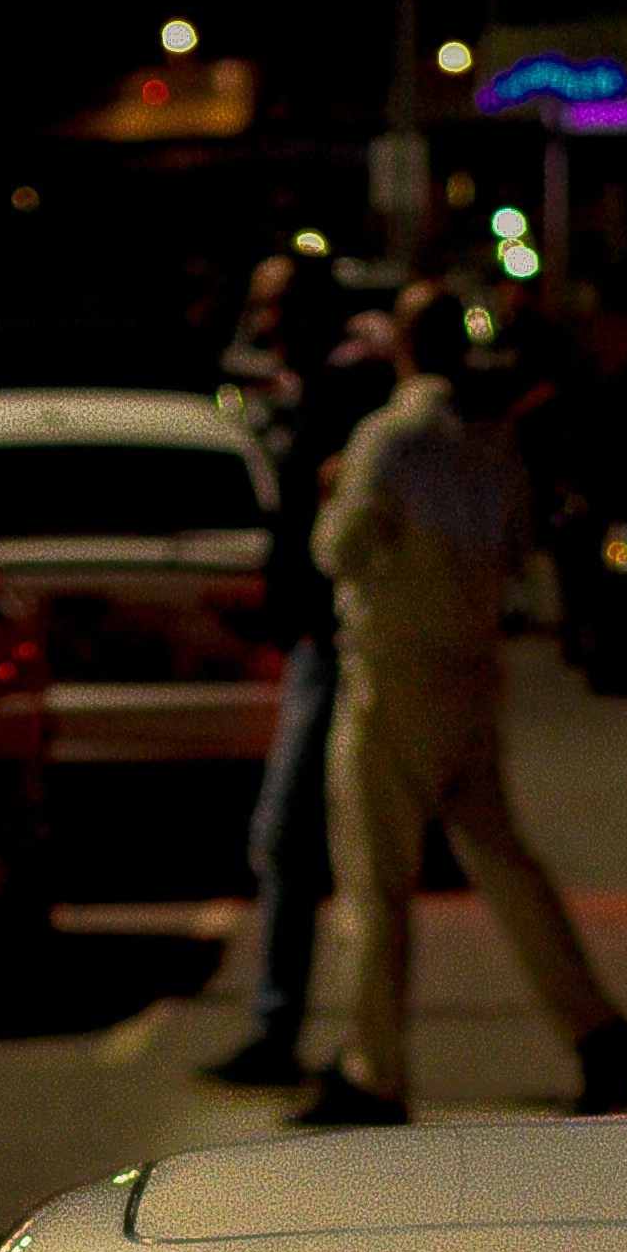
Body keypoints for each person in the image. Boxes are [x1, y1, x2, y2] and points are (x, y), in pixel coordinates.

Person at [307, 294, 627, 1129]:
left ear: (402, 347)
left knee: (375, 876)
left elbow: (340, 550)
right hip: (472, 670)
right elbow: (514, 550)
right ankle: (596, 1026)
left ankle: (376, 1067)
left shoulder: (390, 438)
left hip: (394, 673)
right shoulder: (492, 439)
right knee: (502, 861)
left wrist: (334, 494)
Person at [207, 281, 387, 1090]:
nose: (268, 321)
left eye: (283, 304)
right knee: (332, 847)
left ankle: (298, 1032)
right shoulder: (319, 393)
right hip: (322, 646)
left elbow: (340, 535)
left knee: (301, 839)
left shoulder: (352, 393)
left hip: (341, 649)